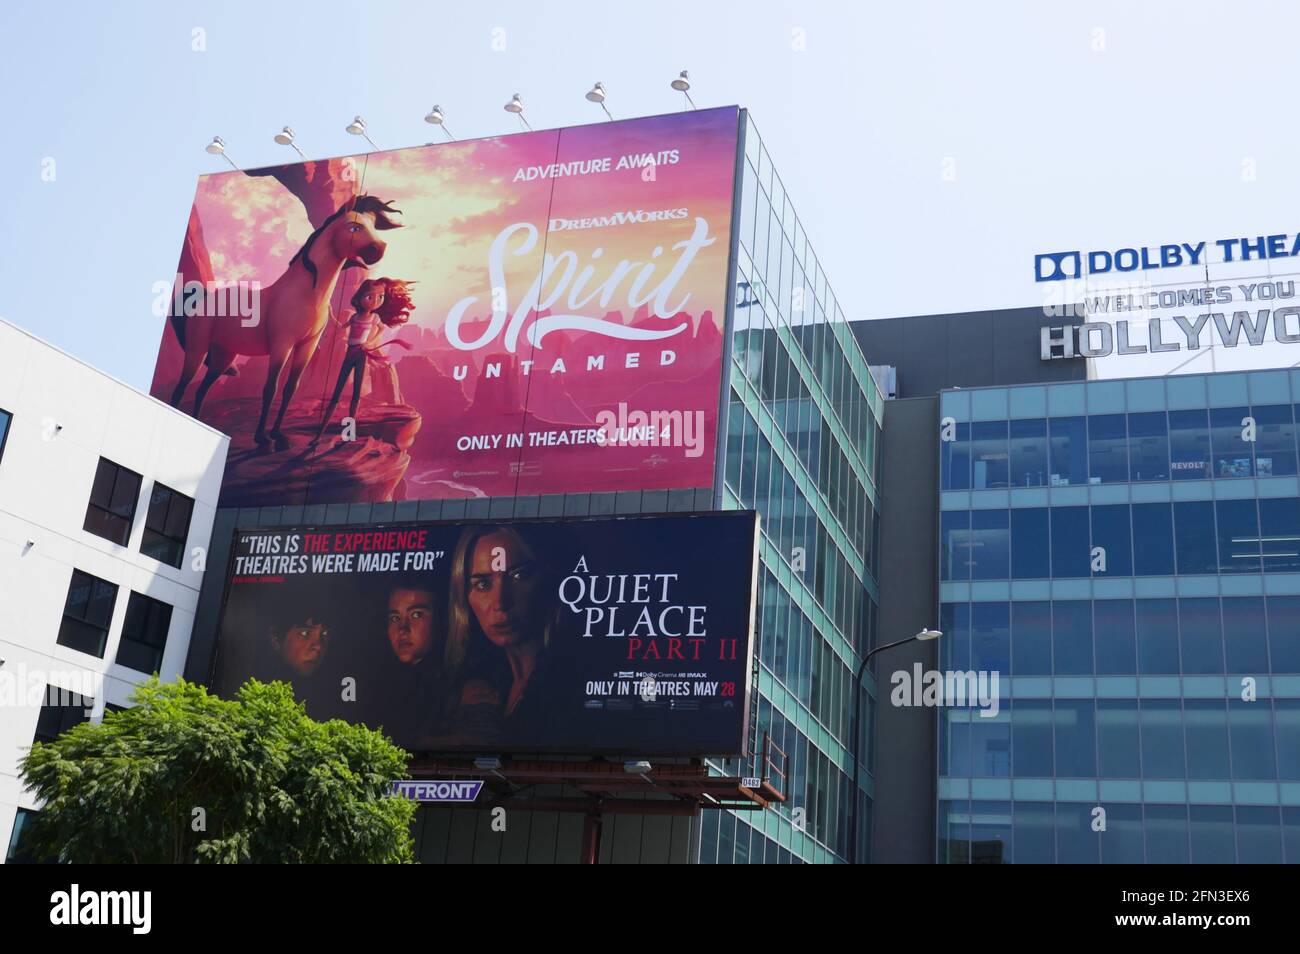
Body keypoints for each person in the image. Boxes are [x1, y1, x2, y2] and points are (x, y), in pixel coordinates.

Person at [444, 525, 564, 744]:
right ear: (464, 597)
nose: (500, 602)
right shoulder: (478, 689)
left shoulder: (570, 682)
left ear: (547, 578)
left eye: (519, 575)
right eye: (482, 584)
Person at [310, 277, 415, 447]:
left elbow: (380, 328)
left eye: (380, 297)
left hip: (360, 354)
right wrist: (329, 312)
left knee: (356, 396)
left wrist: (369, 341)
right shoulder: (355, 317)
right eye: (370, 297)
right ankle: (319, 435)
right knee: (336, 395)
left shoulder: (374, 318)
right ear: (359, 298)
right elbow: (340, 327)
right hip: (350, 353)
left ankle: (349, 435)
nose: (375, 301)